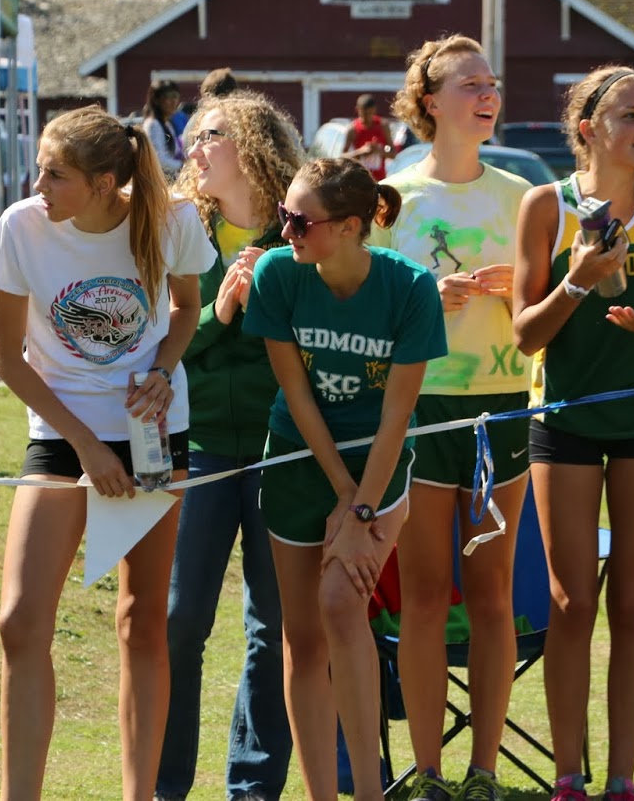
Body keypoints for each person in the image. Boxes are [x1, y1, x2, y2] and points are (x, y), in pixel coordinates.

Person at [0, 105, 214, 801]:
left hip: (150, 433)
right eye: (41, 170)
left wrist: (161, 369)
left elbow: (185, 310)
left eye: (55, 174)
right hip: (60, 434)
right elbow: (5, 355)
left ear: (105, 180)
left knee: (143, 620)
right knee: (19, 622)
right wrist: (83, 444)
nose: (38, 184)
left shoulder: (172, 220)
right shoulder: (21, 225)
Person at [512, 65, 634, 801]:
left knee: (633, 601)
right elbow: (528, 335)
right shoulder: (546, 206)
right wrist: (579, 281)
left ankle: (622, 776)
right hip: (563, 420)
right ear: (588, 128)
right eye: (629, 116)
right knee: (570, 602)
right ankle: (568, 776)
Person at [241, 157, 445, 801]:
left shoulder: (410, 288)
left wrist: (362, 511)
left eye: (300, 221)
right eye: (284, 217)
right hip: (299, 464)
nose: (286, 232)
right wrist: (341, 498)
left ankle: (368, 793)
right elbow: (296, 395)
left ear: (353, 225)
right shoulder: (279, 273)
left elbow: (398, 414)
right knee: (300, 636)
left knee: (339, 605)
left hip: (379, 467)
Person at [375, 34, 533, 801]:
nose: (487, 93)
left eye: (493, 82)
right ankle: (429, 771)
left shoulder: (522, 197)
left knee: (494, 590)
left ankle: (485, 771)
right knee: (426, 594)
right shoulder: (392, 195)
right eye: (470, 82)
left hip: (503, 405)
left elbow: (553, 309)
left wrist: (518, 294)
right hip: (420, 408)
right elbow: (363, 307)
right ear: (429, 101)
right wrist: (420, 304)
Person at [155, 93, 306, 801]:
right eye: (190, 137)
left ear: (251, 141)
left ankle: (252, 789)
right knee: (179, 620)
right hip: (203, 448)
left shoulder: (301, 229)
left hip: (283, 452)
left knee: (271, 628)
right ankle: (164, 785)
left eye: (209, 134)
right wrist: (219, 311)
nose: (193, 148)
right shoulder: (178, 228)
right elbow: (162, 356)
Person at [343, 93, 398, 181]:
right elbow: (342, 158)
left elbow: (393, 154)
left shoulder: (383, 125)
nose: (368, 117)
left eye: (370, 113)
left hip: (380, 180)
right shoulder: (352, 129)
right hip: (359, 180)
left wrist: (379, 151)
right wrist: (361, 152)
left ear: (374, 110)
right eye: (364, 114)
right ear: (358, 110)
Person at [143, 81, 187, 180]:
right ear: (156, 100)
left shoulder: (166, 124)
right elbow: (158, 160)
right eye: (168, 96)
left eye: (176, 96)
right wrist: (183, 165)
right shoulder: (153, 125)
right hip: (158, 182)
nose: (174, 101)